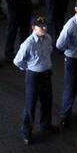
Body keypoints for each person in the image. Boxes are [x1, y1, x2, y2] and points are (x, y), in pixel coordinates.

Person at [14, 16, 56, 145]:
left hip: (46, 74)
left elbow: (49, 51)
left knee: (47, 101)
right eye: (40, 26)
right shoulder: (28, 44)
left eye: (45, 26)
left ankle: (46, 125)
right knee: (30, 104)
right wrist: (29, 69)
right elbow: (18, 61)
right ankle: (26, 132)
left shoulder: (48, 38)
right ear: (33, 28)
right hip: (34, 76)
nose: (44, 28)